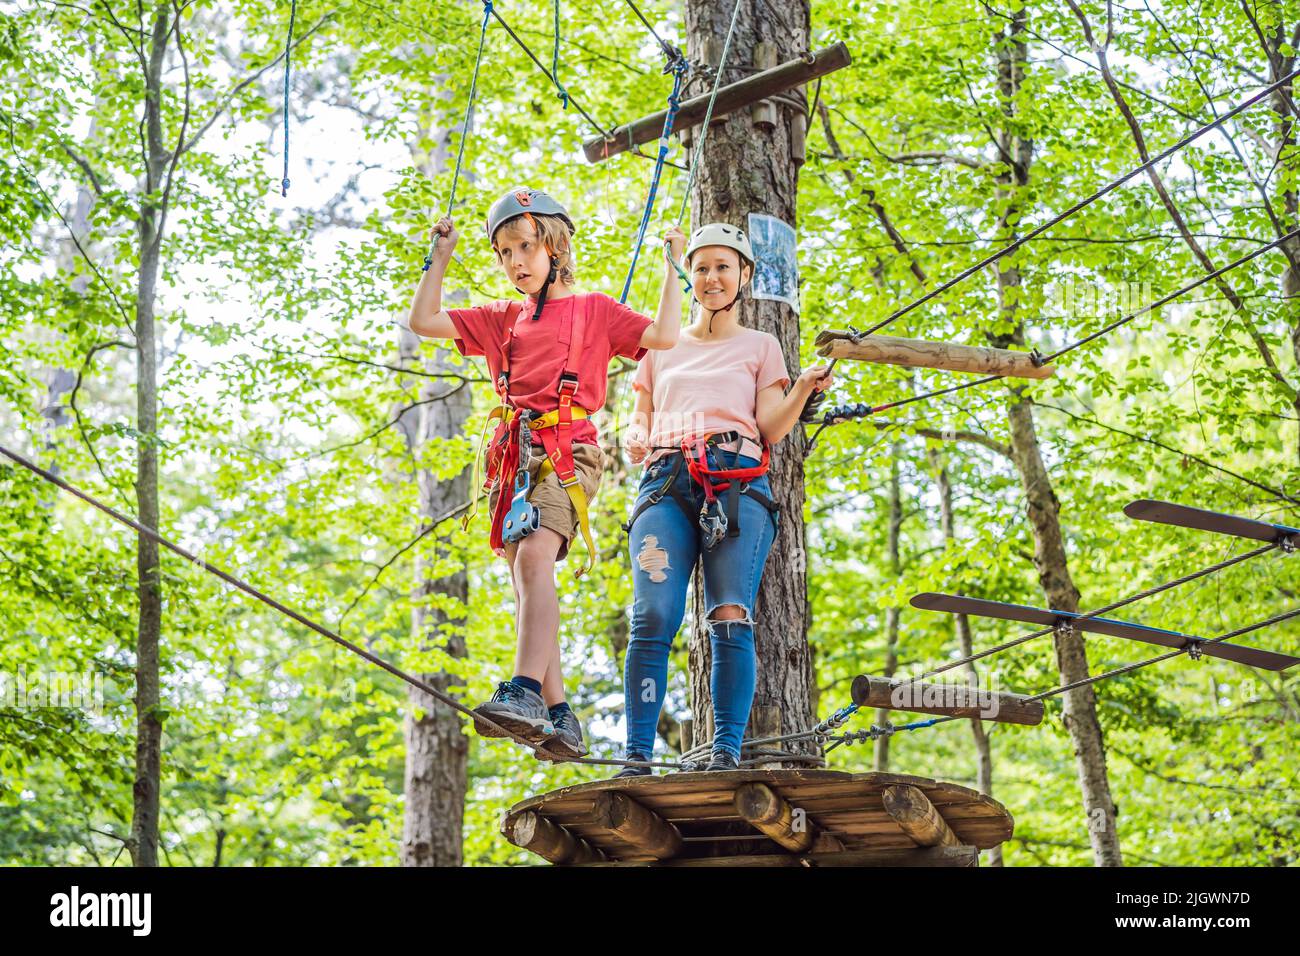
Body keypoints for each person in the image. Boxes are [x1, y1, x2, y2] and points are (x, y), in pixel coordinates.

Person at [407, 187, 685, 760]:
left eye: (525, 247)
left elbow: (663, 337)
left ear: (555, 246)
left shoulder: (595, 311)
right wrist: (441, 255)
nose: (515, 263)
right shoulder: (500, 318)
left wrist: (671, 269)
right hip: (513, 456)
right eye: (504, 253)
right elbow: (423, 320)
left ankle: (526, 690)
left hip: (568, 448)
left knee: (535, 559)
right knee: (523, 577)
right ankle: (559, 715)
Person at [616, 222, 832, 775]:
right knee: (652, 615)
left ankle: (725, 751)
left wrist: (803, 386)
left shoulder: (761, 346)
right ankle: (636, 756)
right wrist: (633, 437)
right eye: (702, 267)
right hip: (666, 479)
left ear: (744, 276)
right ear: (690, 277)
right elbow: (636, 421)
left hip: (736, 483)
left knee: (730, 613)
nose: (712, 277)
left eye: (723, 267)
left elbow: (772, 427)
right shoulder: (659, 345)